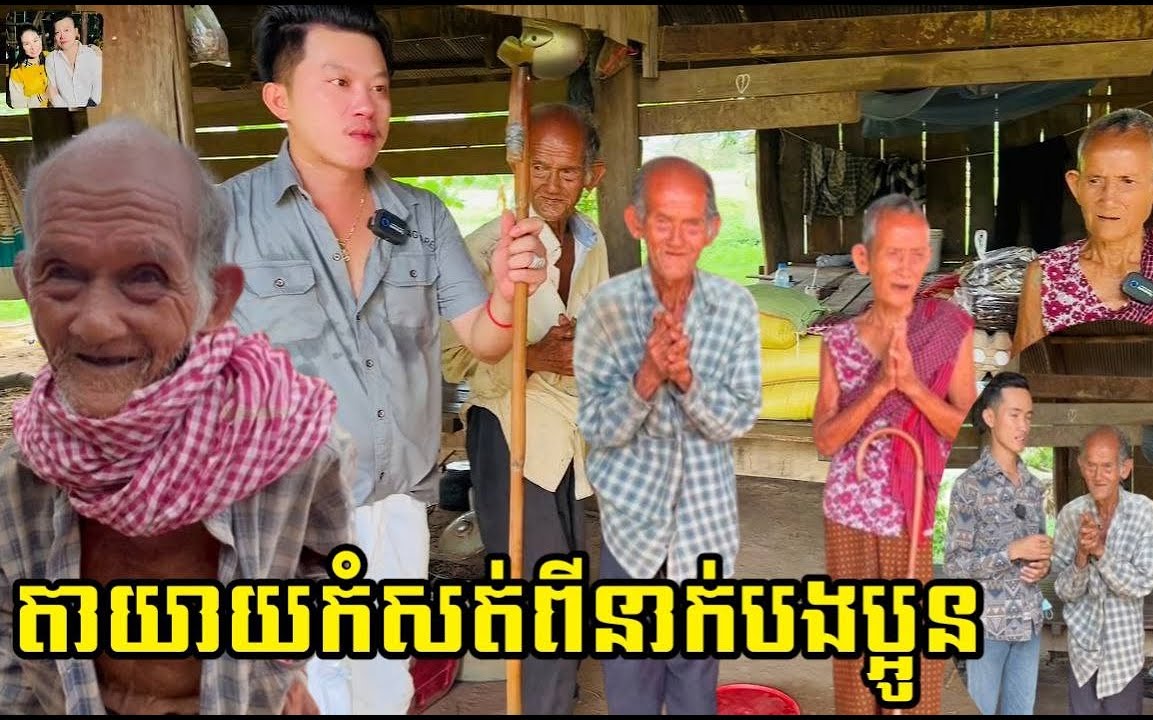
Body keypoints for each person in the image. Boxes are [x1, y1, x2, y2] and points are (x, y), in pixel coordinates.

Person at [219, 6, 548, 715]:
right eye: (338, 82)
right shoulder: (221, 222)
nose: (365, 105)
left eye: (380, 87)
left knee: (378, 695)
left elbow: (484, 338)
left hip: (394, 515)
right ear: (279, 99)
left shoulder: (422, 218)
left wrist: (505, 291)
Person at [0, 117, 353, 714]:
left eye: (146, 277)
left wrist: (279, 670)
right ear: (27, 284)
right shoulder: (19, 478)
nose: (95, 323)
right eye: (62, 274)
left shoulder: (291, 448)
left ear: (217, 300)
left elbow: (326, 571)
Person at [574, 156, 762, 714]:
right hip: (630, 539)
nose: (677, 238)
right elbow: (597, 428)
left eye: (691, 223)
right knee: (631, 696)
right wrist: (647, 378)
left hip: (704, 536)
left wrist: (687, 381)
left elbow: (739, 417)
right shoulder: (604, 311)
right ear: (635, 221)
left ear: (712, 229)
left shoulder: (734, 309)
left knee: (695, 693)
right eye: (662, 221)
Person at [441, 102, 607, 714]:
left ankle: (552, 702)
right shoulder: (492, 248)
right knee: (543, 597)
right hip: (509, 430)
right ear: (519, 164)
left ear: (594, 175)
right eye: (539, 167)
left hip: (567, 437)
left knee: (568, 581)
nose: (550, 185)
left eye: (567, 172)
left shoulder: (591, 242)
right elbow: (451, 359)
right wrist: (532, 355)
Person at [812, 192, 976, 715]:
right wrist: (882, 387)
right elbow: (826, 441)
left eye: (915, 253)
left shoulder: (950, 328)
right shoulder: (837, 340)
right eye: (891, 253)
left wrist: (914, 387)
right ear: (864, 260)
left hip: (912, 517)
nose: (905, 267)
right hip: (849, 517)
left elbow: (964, 423)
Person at [1013, 108, 1153, 383]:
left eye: (1127, 181)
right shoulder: (1045, 275)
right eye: (1095, 181)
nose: (1109, 198)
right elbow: (1020, 388)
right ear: (1076, 185)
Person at [943, 371, 1050, 715]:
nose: (1023, 425)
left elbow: (1040, 553)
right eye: (1014, 415)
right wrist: (1012, 552)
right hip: (987, 626)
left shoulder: (1034, 487)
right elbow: (955, 567)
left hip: (1029, 621)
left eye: (1028, 416)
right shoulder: (969, 486)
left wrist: (1041, 565)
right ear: (990, 418)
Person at [1051, 425, 1153, 714]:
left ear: (1125, 468)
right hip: (1083, 654)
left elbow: (1142, 583)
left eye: (1107, 466)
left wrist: (1100, 550)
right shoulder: (1071, 515)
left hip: (1123, 656)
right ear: (1081, 466)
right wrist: (1082, 557)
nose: (1098, 476)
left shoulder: (1144, 511)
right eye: (1092, 466)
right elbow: (1063, 591)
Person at [47, 12, 102, 109]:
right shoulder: (51, 59)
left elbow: (99, 85)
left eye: (66, 30)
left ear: (76, 31)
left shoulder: (92, 54)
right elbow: (52, 91)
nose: (62, 36)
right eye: (57, 32)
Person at [7, 24, 50, 109]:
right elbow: (18, 105)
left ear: (40, 38)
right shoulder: (17, 71)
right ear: (21, 46)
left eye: (35, 41)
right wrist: (42, 96)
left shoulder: (51, 57)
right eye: (27, 44)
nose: (33, 47)